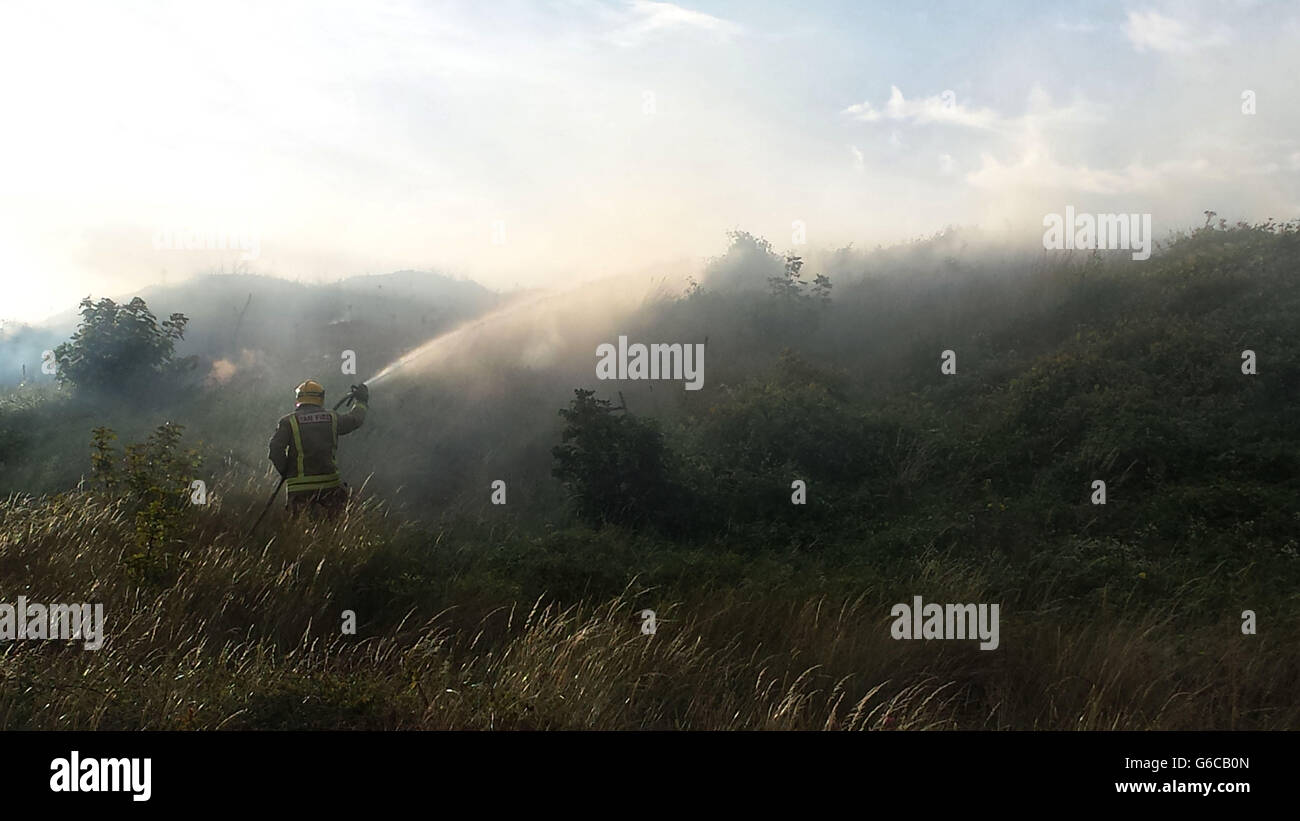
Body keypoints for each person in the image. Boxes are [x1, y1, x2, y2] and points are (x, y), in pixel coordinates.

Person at [268, 379, 369, 518]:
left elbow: (275, 450)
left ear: (298, 398)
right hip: (330, 486)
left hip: (299, 490)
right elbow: (355, 420)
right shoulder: (332, 418)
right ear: (321, 398)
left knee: (301, 533)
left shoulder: (288, 422)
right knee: (333, 531)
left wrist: (288, 472)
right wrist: (361, 402)